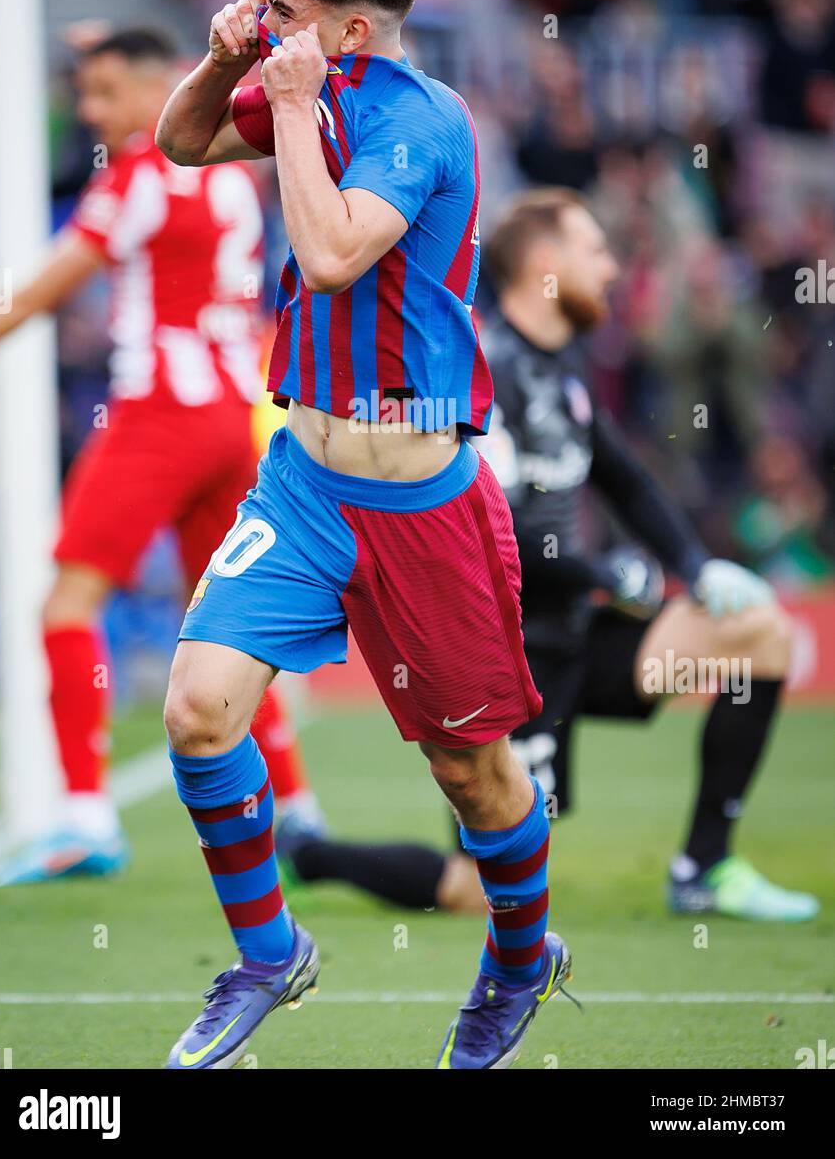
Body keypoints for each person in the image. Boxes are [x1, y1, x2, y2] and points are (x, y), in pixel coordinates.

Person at [155, 0, 571, 1072]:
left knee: (471, 774)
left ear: (347, 30)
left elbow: (334, 250)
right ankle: (267, 953)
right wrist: (229, 54)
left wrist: (287, 103)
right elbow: (181, 143)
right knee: (197, 708)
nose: (264, 14)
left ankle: (519, 953)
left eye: (283, 8)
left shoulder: (420, 121)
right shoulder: (303, 85)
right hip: (304, 482)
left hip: (422, 501)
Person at [280, 189, 818, 925]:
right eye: (594, 250)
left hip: (579, 640)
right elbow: (484, 536)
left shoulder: (563, 369)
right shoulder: (483, 370)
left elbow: (622, 477)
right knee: (477, 891)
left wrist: (696, 566)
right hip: (506, 661)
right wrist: (607, 574)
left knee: (759, 635)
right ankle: (313, 854)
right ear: (544, 265)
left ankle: (703, 867)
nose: (610, 267)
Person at [0, 28, 316, 883]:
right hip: (236, 419)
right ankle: (299, 811)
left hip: (159, 416)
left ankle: (84, 817)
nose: (92, 110)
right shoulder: (235, 178)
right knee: (230, 628)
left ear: (159, 85)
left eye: (107, 90)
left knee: (64, 605)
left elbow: (45, 291)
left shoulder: (135, 174)